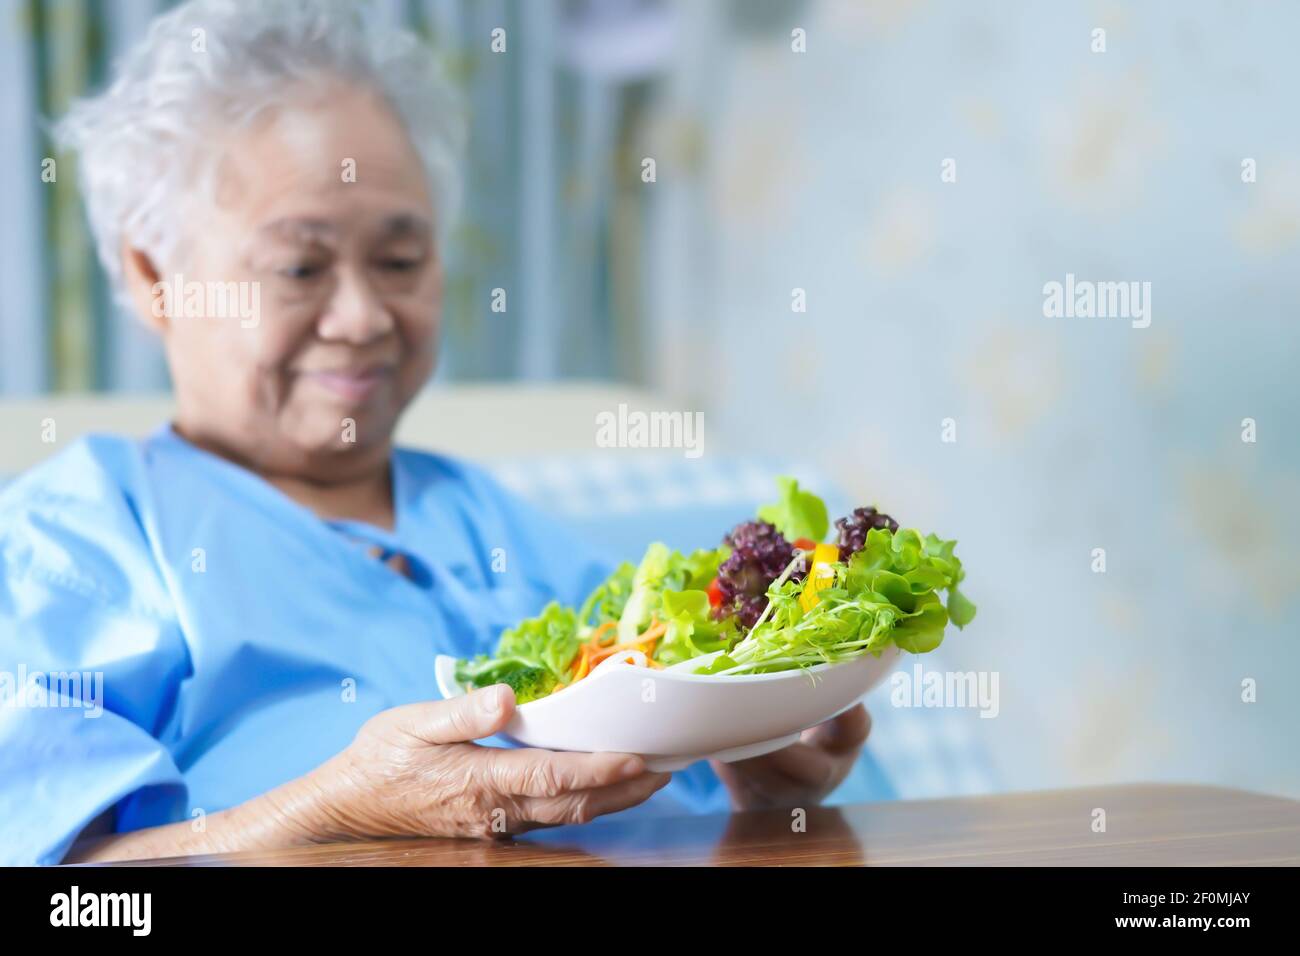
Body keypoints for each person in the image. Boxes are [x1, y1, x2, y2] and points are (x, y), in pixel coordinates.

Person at [0, 0, 870, 866]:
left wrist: (759, 798)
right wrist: (321, 822)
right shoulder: (74, 543)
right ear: (154, 277)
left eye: (401, 261)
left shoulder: (500, 526)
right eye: (300, 266)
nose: (361, 315)